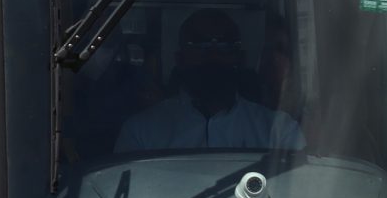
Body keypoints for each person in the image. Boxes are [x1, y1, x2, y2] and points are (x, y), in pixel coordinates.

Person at [115, 8, 304, 155]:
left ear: (240, 58)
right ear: (179, 59)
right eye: (198, 45)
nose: (213, 55)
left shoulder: (280, 132)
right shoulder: (141, 132)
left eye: (224, 45)